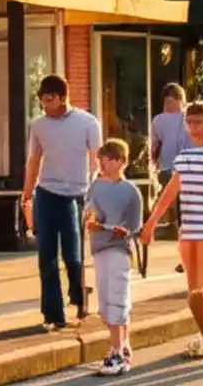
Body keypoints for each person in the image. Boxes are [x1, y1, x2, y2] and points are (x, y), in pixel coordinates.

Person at [141, 101, 203, 359]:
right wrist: (150, 223)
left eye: (199, 123)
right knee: (192, 287)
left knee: (202, 286)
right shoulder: (182, 157)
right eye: (191, 122)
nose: (194, 127)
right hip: (189, 225)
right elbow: (169, 193)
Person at [21, 74, 103, 330]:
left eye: (50, 100)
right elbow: (34, 159)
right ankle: (53, 313)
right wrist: (26, 194)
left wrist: (94, 195)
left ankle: (79, 300)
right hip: (46, 192)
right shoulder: (38, 125)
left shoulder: (87, 123)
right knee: (46, 254)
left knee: (72, 254)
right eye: (42, 100)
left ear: (63, 97)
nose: (45, 105)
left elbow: (97, 161)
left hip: (76, 194)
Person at [85, 138, 143, 376]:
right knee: (105, 300)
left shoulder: (131, 192)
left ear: (119, 161)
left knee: (116, 297)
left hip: (119, 249)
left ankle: (117, 352)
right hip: (99, 248)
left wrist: (123, 230)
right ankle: (123, 346)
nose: (101, 164)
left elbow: (135, 225)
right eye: (100, 159)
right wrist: (94, 223)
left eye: (106, 160)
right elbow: (88, 215)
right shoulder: (95, 187)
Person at [150, 83, 192, 241]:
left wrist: (154, 162)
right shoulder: (191, 117)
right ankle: (181, 227)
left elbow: (155, 145)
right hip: (188, 166)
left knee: (170, 197)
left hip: (168, 165)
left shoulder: (159, 120)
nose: (168, 105)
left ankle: (174, 225)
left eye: (170, 101)